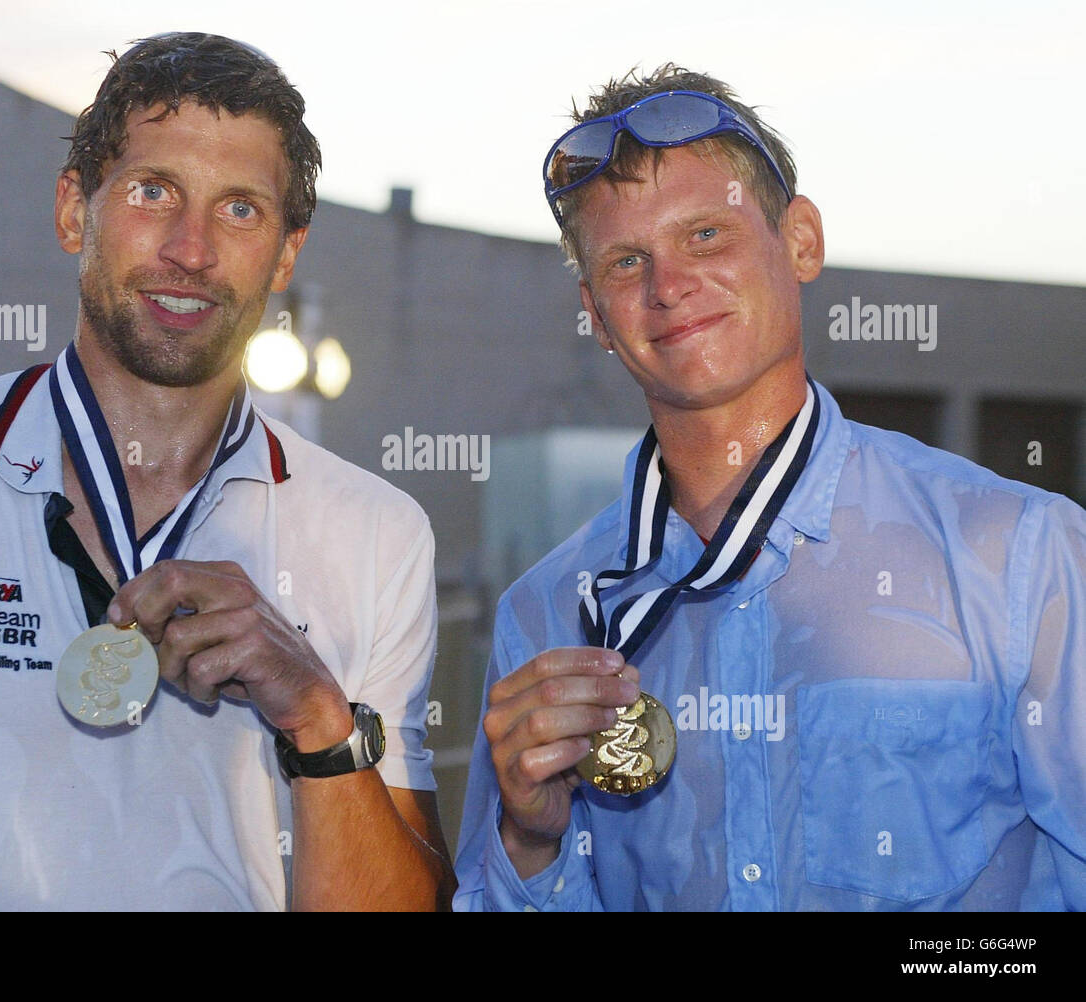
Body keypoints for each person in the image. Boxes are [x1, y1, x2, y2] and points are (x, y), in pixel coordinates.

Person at [0, 32, 454, 911]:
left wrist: (318, 718)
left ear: (288, 254)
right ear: (74, 210)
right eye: (154, 192)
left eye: (242, 209)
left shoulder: (379, 534)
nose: (193, 248)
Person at [453, 63, 1086, 910]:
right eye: (626, 261)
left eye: (707, 235)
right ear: (596, 316)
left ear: (802, 242)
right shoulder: (543, 614)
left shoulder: (1022, 556)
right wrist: (529, 840)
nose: (668, 286)